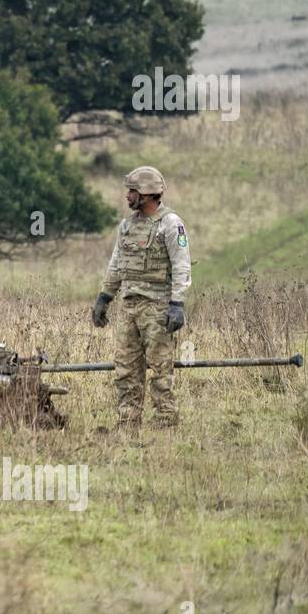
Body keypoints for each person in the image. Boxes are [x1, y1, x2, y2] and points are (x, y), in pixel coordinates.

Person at [91, 166, 192, 430]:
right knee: (125, 369)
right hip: (129, 306)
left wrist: (177, 304)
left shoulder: (171, 224)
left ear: (147, 193)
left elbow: (182, 266)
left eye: (132, 191)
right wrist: (104, 297)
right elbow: (116, 263)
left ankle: (165, 420)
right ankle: (127, 421)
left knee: (161, 369)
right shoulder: (126, 226)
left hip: (158, 308)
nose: (127, 196)